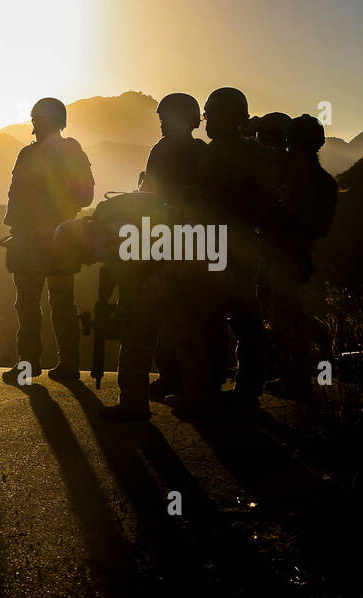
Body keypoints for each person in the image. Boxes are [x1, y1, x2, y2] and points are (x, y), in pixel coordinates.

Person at [165, 87, 274, 412]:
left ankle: (203, 393)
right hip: (244, 246)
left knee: (199, 316)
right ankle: (247, 389)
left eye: (211, 115)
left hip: (218, 246)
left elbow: (212, 206)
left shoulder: (218, 154)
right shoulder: (252, 152)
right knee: (245, 320)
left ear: (224, 117)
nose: (206, 121)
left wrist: (185, 200)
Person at [1, 97, 94, 384]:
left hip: (48, 239)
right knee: (47, 303)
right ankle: (62, 365)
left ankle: (39, 366)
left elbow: (85, 195)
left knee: (40, 303)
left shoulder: (43, 154)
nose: (34, 125)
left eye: (37, 120)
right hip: (48, 239)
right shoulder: (37, 154)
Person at [139, 93, 208, 402]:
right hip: (201, 242)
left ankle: (179, 382)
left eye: (165, 116)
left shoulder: (163, 151)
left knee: (173, 313)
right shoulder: (203, 151)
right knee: (193, 313)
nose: (162, 122)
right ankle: (189, 381)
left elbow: (148, 195)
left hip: (170, 241)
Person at [263, 114, 337, 398]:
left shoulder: (299, 179)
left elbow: (291, 218)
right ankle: (306, 365)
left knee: (284, 318)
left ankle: (297, 382)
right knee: (289, 314)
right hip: (299, 254)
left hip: (288, 255)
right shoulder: (322, 181)